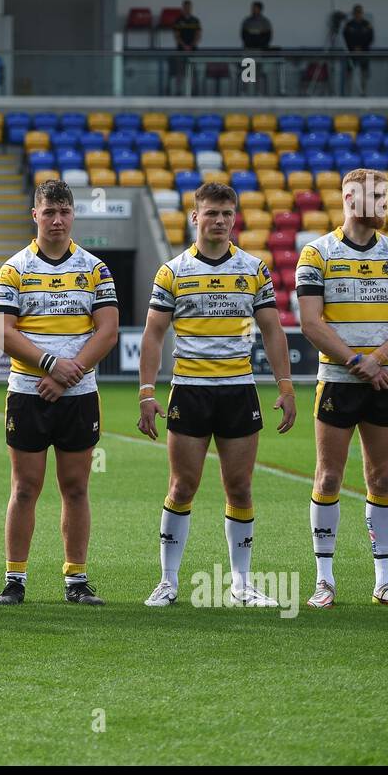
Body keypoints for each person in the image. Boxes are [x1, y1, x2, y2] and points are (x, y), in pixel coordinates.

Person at [137, 183, 297, 607]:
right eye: (211, 213)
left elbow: (272, 330)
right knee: (182, 485)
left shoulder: (254, 269)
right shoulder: (172, 272)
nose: (220, 221)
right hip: (190, 390)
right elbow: (153, 336)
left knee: (240, 488)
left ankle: (241, 584)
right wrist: (146, 392)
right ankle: (169, 581)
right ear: (195, 218)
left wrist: (285, 385)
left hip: (238, 390)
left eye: (227, 213)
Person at [295, 168, 388, 609]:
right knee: (329, 474)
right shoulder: (317, 253)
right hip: (338, 380)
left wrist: (376, 359)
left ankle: (384, 580)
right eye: (377, 196)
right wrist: (356, 362)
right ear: (350, 197)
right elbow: (311, 323)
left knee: (382, 475)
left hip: (386, 379)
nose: (385, 204)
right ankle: (324, 581)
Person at [0, 179, 119, 606]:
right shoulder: (14, 269)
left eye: (64, 212)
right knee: (25, 488)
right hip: (27, 392)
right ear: (35, 215)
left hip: (78, 394)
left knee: (76, 488)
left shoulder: (95, 268)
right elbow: (1, 332)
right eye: (49, 212)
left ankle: (76, 580)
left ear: (73, 214)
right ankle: (15, 579)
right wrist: (49, 364)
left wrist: (70, 372)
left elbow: (108, 329)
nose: (57, 220)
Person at [342, 4, 374, 95]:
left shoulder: (367, 24)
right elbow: (346, 37)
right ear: (353, 13)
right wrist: (353, 48)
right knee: (349, 75)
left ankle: (363, 94)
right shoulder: (349, 24)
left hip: (364, 52)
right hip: (352, 53)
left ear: (362, 13)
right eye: (356, 12)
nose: (358, 14)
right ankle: (348, 95)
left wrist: (361, 48)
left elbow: (370, 38)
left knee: (364, 74)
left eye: (359, 12)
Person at [171, 0, 202, 93]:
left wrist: (191, 45)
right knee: (179, 72)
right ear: (183, 8)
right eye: (186, 7)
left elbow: (198, 35)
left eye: (189, 7)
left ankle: (194, 91)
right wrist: (184, 46)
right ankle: (178, 92)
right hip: (180, 50)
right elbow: (176, 36)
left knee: (193, 72)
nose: (187, 9)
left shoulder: (195, 20)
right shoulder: (178, 21)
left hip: (193, 50)